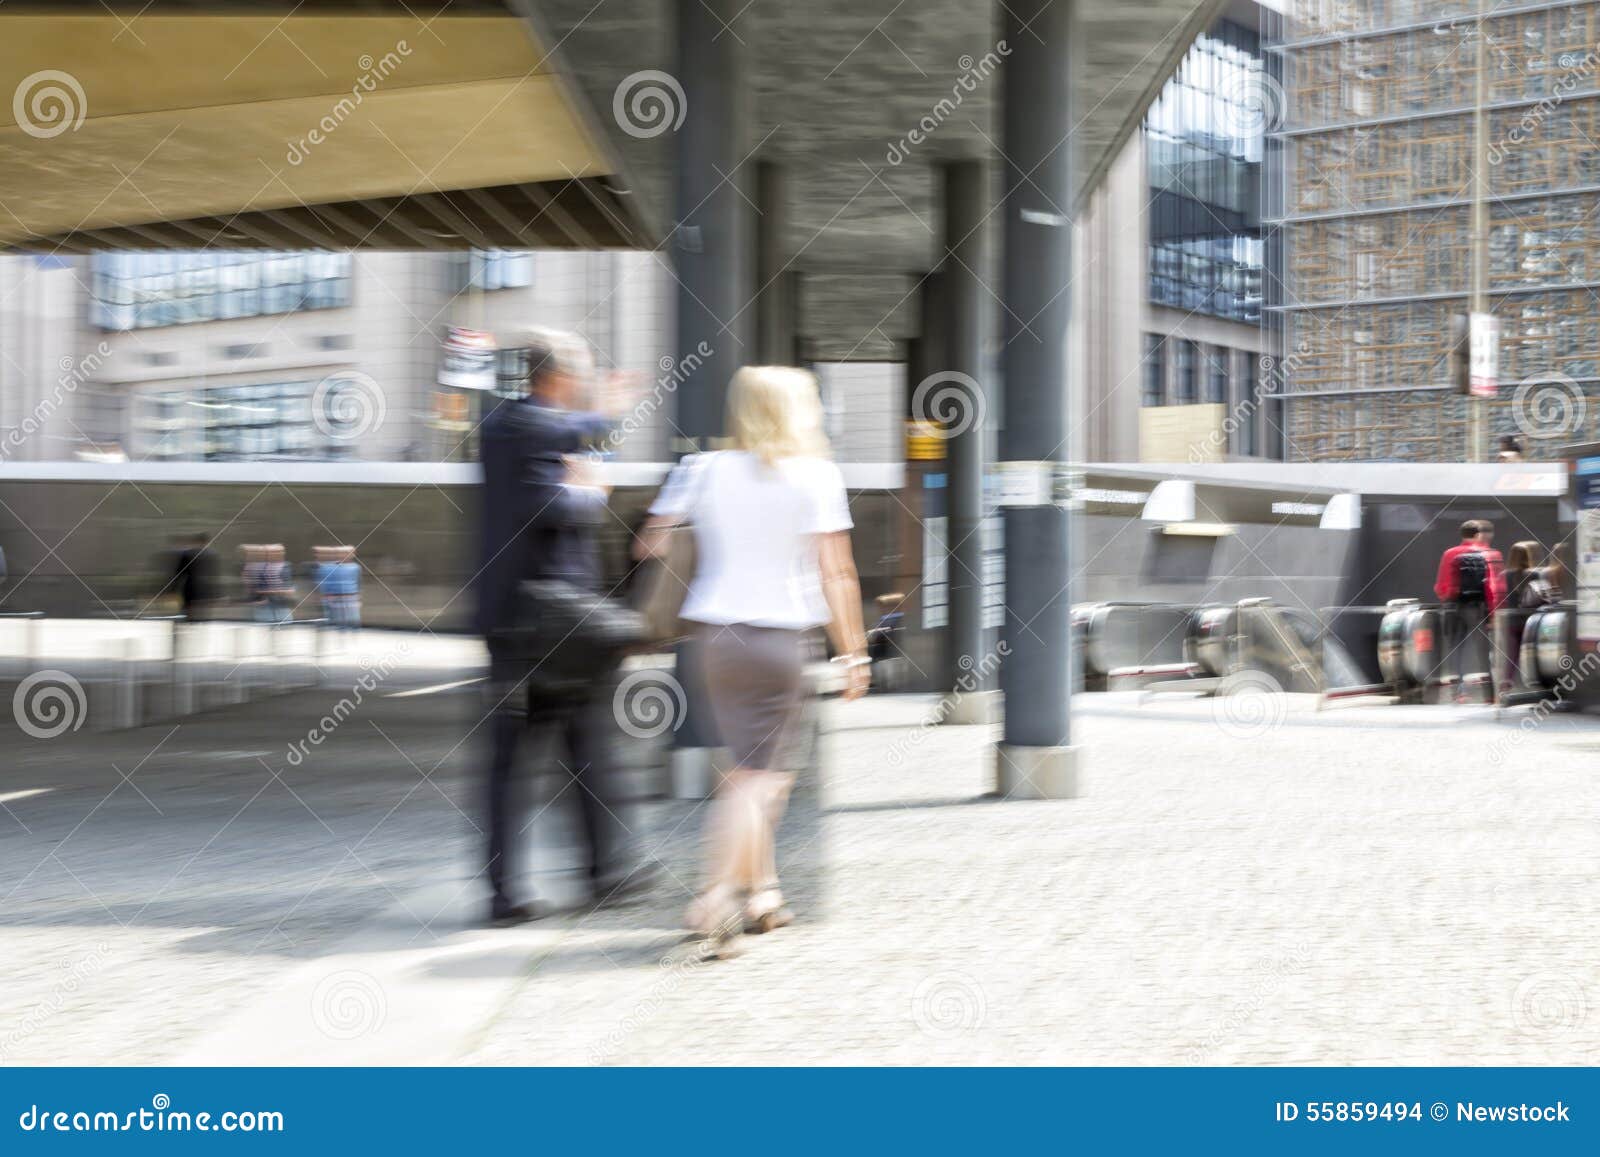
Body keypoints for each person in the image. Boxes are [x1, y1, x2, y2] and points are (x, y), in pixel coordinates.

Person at [640, 366, 869, 947]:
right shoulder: (815, 475)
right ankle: (714, 897)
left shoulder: (702, 468)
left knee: (758, 770)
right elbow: (837, 572)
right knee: (756, 780)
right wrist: (855, 653)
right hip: (779, 639)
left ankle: (764, 892)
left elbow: (651, 541)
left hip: (716, 637)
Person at [475, 331, 651, 926]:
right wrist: (594, 481)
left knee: (585, 746)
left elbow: (553, 488)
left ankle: (605, 869)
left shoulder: (529, 435)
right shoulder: (518, 427)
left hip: (559, 625)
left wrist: (582, 475)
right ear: (558, 378)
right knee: (515, 759)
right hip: (530, 624)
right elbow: (552, 505)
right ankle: (504, 892)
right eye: (578, 379)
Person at [1434, 519, 1506, 703]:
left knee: (1455, 649)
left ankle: (1458, 693)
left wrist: (1447, 599)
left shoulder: (1449, 554)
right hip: (1477, 607)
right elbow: (1492, 587)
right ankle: (1489, 695)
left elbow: (1441, 585)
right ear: (1478, 534)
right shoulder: (1489, 554)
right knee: (1484, 651)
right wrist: (1493, 613)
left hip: (1452, 606)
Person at [1500, 540, 1554, 690]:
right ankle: (1538, 683)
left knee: (1512, 654)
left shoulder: (1505, 575)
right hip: (1531, 620)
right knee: (1533, 652)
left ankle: (1506, 682)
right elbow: (1544, 594)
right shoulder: (1535, 573)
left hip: (1511, 621)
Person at [314, 545, 361, 631]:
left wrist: (358, 598)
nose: (344, 555)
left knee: (354, 623)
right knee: (338, 625)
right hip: (335, 599)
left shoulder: (356, 567)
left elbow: (358, 584)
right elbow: (324, 584)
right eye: (342, 553)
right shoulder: (327, 567)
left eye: (348, 553)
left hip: (351, 599)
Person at [171, 532, 215, 621]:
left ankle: (190, 621)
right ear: (206, 542)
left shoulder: (186, 554)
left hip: (189, 588)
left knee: (188, 612)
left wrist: (173, 588)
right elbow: (212, 575)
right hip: (204, 589)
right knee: (202, 614)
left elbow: (179, 573)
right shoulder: (210, 555)